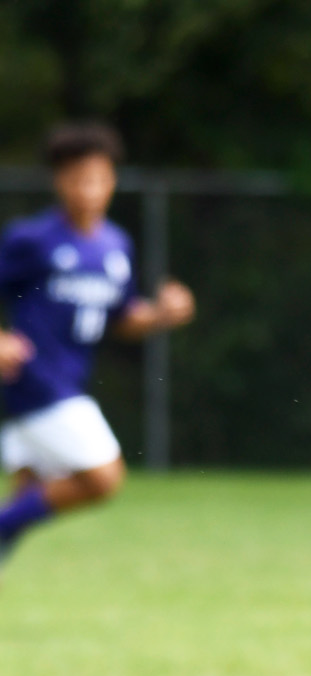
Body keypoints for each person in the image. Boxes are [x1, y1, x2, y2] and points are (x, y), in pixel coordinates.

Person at [0, 122, 195, 566]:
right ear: (59, 181)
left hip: (68, 379)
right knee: (104, 477)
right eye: (77, 178)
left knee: (26, 497)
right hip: (35, 378)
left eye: (98, 178)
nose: (89, 189)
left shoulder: (115, 245)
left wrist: (162, 314)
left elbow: (121, 319)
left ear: (112, 180)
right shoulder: (31, 240)